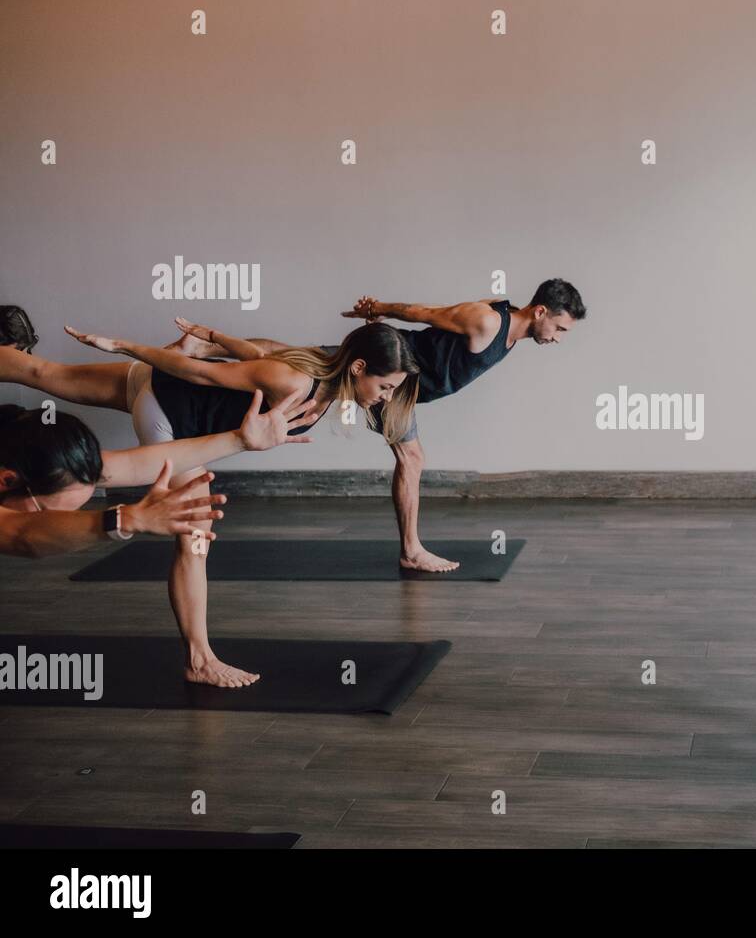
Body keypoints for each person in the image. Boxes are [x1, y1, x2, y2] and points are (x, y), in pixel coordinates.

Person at [0, 318, 418, 686]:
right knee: (195, 536)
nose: (385, 397)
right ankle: (199, 660)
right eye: (385, 387)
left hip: (153, 384)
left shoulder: (316, 367)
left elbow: (258, 350)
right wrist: (126, 346)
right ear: (359, 368)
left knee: (45, 372)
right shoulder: (297, 381)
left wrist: (211, 339)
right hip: (171, 413)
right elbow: (202, 375)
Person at [164, 278, 586, 572]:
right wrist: (378, 309)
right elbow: (426, 313)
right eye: (560, 328)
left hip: (398, 385)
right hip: (391, 377)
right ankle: (412, 550)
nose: (559, 338)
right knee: (407, 452)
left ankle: (204, 345)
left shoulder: (511, 332)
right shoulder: (488, 320)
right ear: (541, 310)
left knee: (294, 358)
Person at [0, 393, 316, 558]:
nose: (58, 525)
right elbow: (21, 534)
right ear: (8, 480)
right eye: (49, 514)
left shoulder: (47, 461)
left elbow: (143, 463)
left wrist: (240, 440)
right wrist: (127, 519)